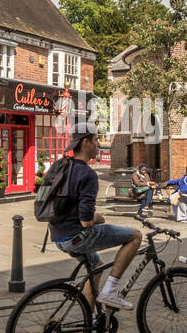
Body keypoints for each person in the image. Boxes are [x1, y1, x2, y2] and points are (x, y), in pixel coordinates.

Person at [49, 130, 141, 311]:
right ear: (85, 143)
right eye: (95, 140)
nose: (99, 144)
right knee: (135, 236)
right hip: (77, 236)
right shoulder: (87, 174)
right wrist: (97, 218)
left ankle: (89, 319)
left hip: (58, 235)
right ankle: (111, 291)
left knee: (96, 265)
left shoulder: (61, 167)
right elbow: (86, 221)